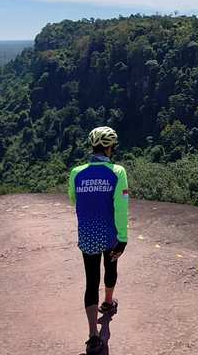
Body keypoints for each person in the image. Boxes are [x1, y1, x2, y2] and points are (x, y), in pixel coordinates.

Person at [68, 126, 130, 354]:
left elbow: (73, 198)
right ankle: (108, 302)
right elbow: (121, 208)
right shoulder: (117, 172)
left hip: (87, 234)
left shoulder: (76, 172)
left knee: (91, 280)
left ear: (92, 147)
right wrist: (123, 238)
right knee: (111, 266)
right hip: (110, 233)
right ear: (110, 147)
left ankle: (93, 335)